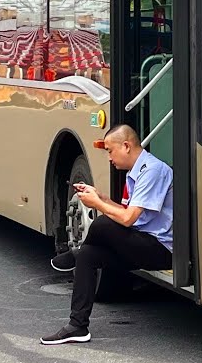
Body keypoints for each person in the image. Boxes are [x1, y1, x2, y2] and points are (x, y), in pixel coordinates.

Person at [41, 124, 173, 345]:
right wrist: (100, 197)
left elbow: (128, 219)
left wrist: (98, 205)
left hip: (160, 248)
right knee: (89, 256)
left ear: (126, 146)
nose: (109, 158)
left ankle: (75, 253)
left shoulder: (152, 171)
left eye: (110, 151)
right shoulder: (136, 171)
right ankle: (77, 326)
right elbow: (126, 213)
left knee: (103, 224)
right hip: (142, 241)